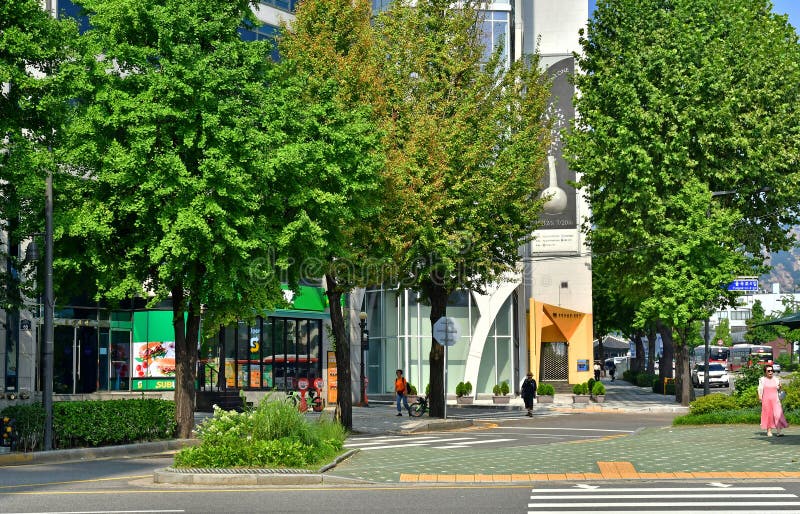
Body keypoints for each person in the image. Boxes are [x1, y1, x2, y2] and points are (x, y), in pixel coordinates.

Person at [758, 365, 788, 437]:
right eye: (768, 371)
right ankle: (769, 431)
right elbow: (760, 389)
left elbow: (778, 389)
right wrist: (760, 397)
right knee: (768, 415)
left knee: (778, 415)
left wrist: (780, 387)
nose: (770, 372)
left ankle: (779, 432)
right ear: (765, 372)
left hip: (776, 400)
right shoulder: (762, 379)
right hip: (766, 400)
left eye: (772, 370)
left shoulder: (776, 379)